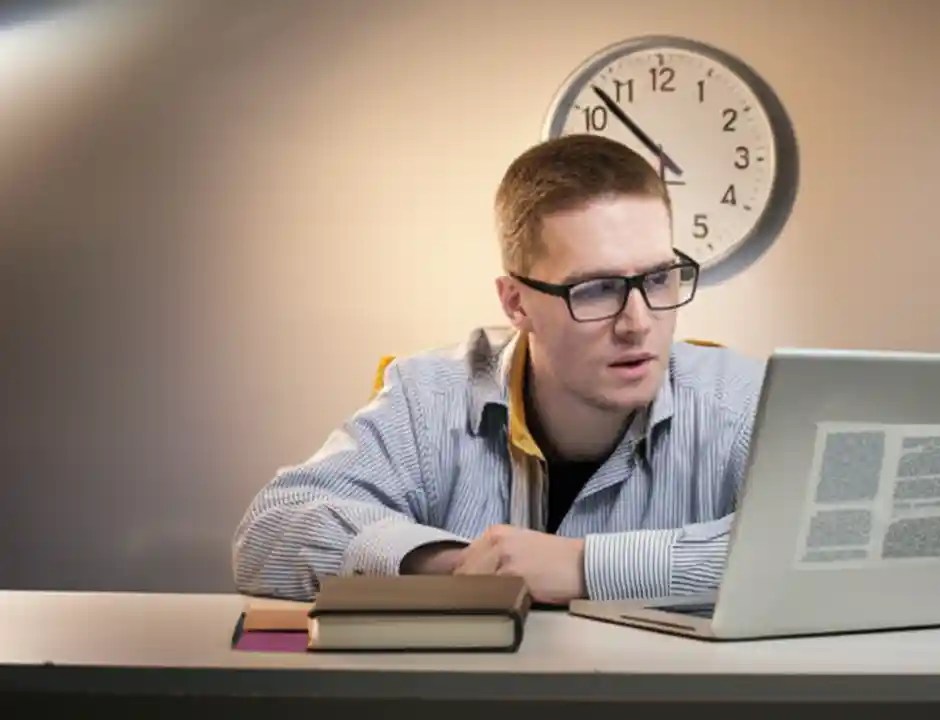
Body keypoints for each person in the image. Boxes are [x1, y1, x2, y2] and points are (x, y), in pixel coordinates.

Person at [231, 134, 764, 605]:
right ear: (515, 303)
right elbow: (268, 532)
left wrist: (582, 568)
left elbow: (831, 556)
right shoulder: (428, 396)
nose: (638, 323)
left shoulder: (742, 400)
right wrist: (459, 568)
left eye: (657, 279)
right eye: (596, 289)